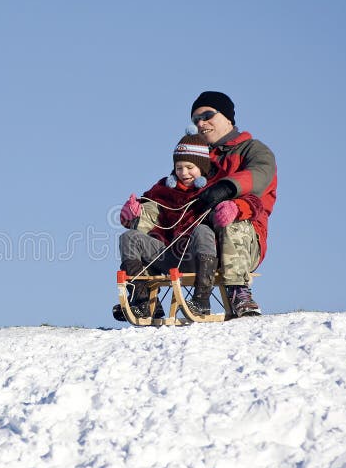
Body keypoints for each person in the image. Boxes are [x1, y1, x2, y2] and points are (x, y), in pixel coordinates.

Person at [113, 134, 221, 321]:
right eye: (179, 168)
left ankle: (201, 299)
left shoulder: (213, 189)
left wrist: (224, 209)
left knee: (202, 230)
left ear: (202, 168)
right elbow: (146, 201)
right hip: (170, 254)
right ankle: (142, 301)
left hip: (200, 256)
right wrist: (132, 211)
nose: (184, 173)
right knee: (128, 237)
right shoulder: (164, 188)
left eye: (190, 167)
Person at [189, 91, 277, 317]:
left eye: (208, 115)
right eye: (196, 119)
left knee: (230, 221)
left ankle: (239, 291)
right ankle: (140, 291)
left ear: (228, 118)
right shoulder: (197, 159)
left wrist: (228, 187)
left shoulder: (253, 149)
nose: (201, 123)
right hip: (202, 241)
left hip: (245, 240)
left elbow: (261, 173)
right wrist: (144, 208)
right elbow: (173, 192)